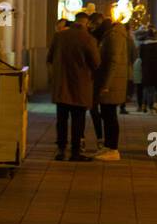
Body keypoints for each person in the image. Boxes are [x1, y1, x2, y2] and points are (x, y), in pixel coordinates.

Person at [46, 12, 101, 161]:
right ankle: (75, 152)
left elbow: (49, 58)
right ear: (87, 23)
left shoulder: (59, 36)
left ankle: (61, 150)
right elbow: (96, 63)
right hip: (80, 86)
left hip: (61, 85)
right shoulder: (89, 39)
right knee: (78, 120)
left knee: (61, 119)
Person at [92, 15, 129, 161]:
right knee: (107, 114)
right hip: (111, 82)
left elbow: (113, 60)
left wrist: (106, 85)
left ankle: (113, 148)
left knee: (110, 115)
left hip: (112, 83)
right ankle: (108, 147)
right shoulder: (112, 34)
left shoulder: (114, 35)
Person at [86, 12, 106, 148]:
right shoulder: (102, 38)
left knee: (93, 110)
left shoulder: (92, 38)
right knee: (95, 110)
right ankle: (100, 139)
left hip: (94, 78)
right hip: (97, 78)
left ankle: (99, 139)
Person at [138, 26, 157, 115]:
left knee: (148, 88)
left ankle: (148, 106)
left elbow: (141, 58)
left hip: (147, 69)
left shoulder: (143, 46)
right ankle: (155, 103)